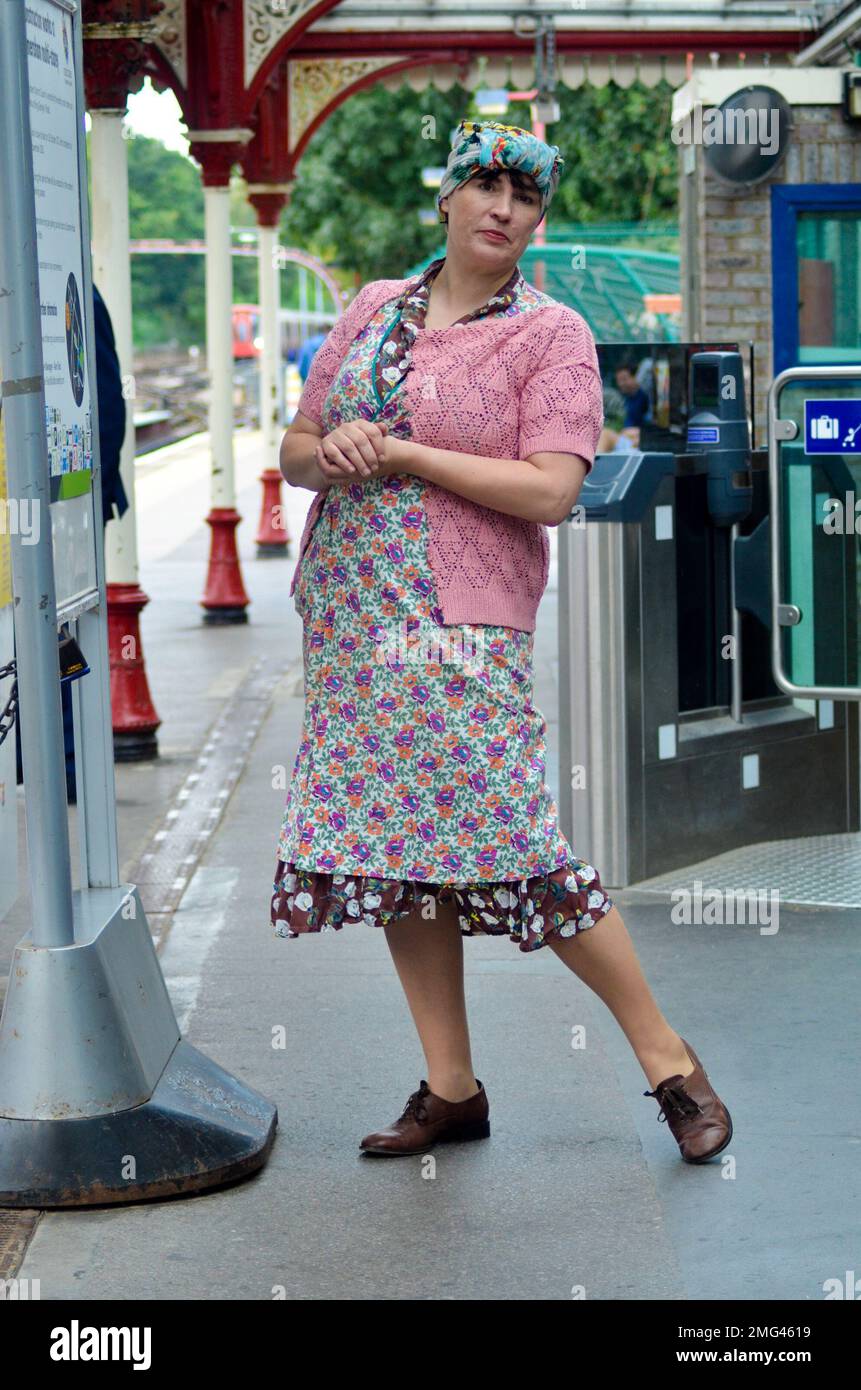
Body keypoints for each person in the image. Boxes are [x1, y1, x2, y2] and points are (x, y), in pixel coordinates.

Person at [273, 118, 732, 1164]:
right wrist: (333, 450)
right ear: (446, 196)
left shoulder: (551, 333)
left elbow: (552, 488)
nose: (501, 207)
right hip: (351, 623)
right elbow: (298, 449)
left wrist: (405, 453)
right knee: (400, 855)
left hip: (459, 631)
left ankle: (670, 1064)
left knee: (517, 844)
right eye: (483, 183)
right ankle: (452, 1088)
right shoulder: (369, 310)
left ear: (536, 220)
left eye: (523, 197)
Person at [15, 283, 128, 804]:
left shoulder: (69, 284)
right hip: (38, 504)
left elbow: (101, 389)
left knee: (59, 635)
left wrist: (83, 500)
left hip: (64, 504)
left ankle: (64, 765)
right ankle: (42, 762)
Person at [614, 359, 652, 430]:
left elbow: (648, 363)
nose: (621, 384)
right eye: (618, 380)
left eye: (624, 379)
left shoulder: (645, 396)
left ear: (635, 377)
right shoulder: (624, 399)